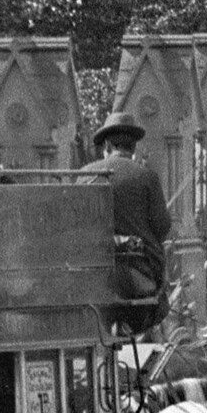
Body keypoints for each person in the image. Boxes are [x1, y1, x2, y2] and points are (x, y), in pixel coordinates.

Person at [82, 111, 172, 334]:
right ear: (133, 148)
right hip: (137, 276)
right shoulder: (146, 176)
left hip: (92, 275)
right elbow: (162, 226)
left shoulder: (84, 174)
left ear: (107, 146)